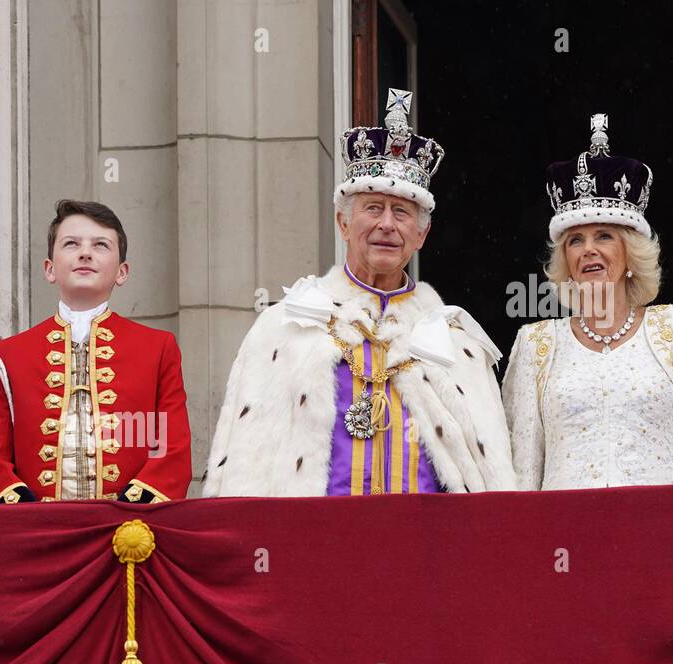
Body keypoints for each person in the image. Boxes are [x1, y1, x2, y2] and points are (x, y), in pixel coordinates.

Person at [202, 89, 514, 497]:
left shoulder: (457, 343)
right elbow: (245, 464)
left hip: (430, 547)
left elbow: (491, 479)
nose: (387, 224)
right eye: (372, 208)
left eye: (401, 212)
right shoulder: (284, 327)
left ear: (421, 234)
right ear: (343, 223)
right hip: (319, 545)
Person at [501, 114, 673, 489]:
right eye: (575, 240)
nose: (589, 251)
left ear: (630, 252)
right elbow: (520, 476)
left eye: (604, 236)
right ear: (564, 258)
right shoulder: (535, 345)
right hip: (568, 542)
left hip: (665, 536)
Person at [0, 199, 191, 504]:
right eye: (71, 244)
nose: (85, 252)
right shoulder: (7, 356)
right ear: (49, 269)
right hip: (36, 530)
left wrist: (132, 512)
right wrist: (25, 512)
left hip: (129, 528)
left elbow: (170, 447)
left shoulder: (157, 348)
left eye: (101, 245)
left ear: (122, 271)